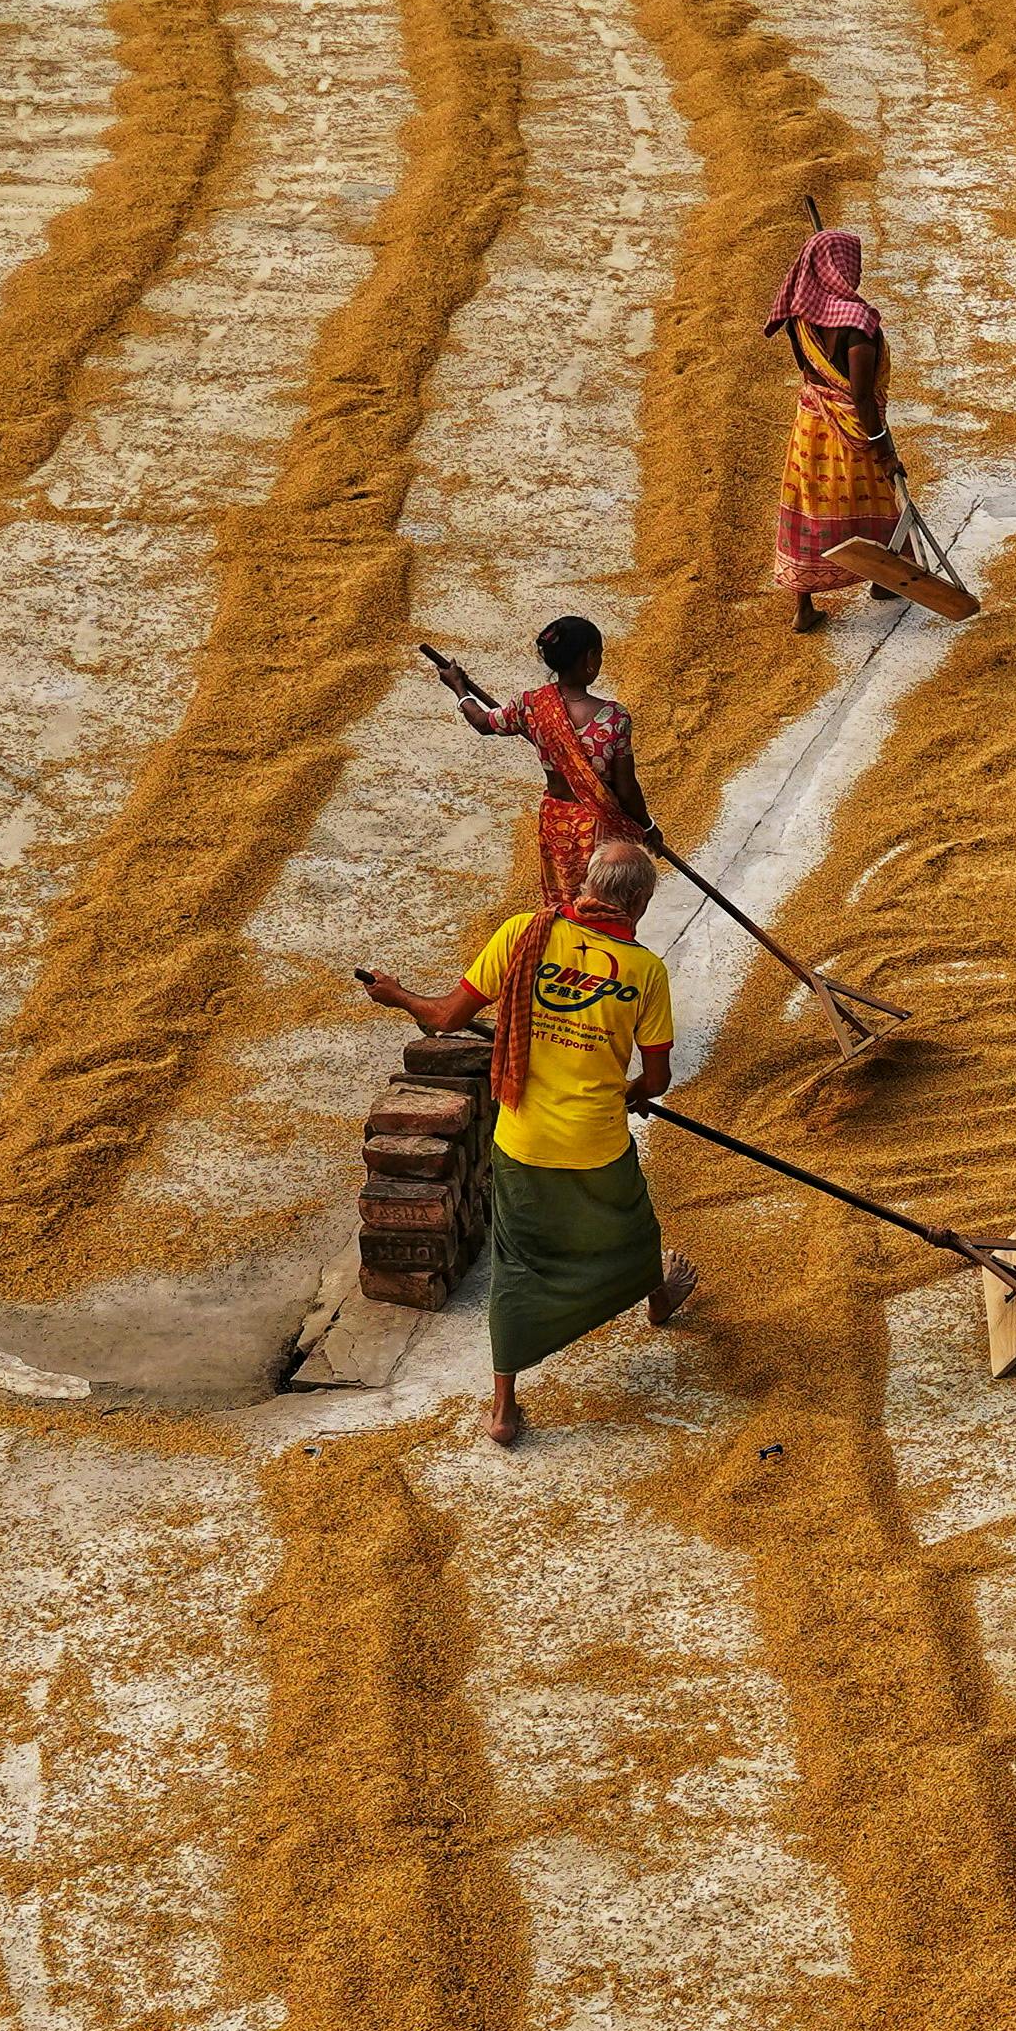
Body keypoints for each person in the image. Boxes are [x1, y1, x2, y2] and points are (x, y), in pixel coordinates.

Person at [352, 837, 697, 1447]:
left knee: (518, 1264)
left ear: (584, 885)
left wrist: (395, 993)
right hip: (596, 1141)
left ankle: (504, 1407)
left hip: (523, 1138)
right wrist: (629, 1092)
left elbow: (444, 1018)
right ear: (640, 904)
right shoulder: (645, 972)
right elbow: (657, 1079)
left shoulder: (521, 934)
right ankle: (656, 1296)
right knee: (630, 1231)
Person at [445, 616, 662, 915]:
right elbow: (626, 789)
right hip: (596, 825)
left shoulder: (531, 705)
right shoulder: (614, 718)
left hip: (556, 822)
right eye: (599, 654)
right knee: (602, 900)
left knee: (564, 903)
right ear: (589, 658)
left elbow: (483, 722)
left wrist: (459, 688)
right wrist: (647, 827)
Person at [768, 227, 901, 634]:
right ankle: (883, 579)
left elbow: (810, 371)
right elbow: (861, 396)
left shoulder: (799, 319)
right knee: (875, 497)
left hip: (811, 426)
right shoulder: (858, 326)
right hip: (852, 430)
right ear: (844, 266)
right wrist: (884, 450)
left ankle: (804, 606)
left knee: (811, 505)